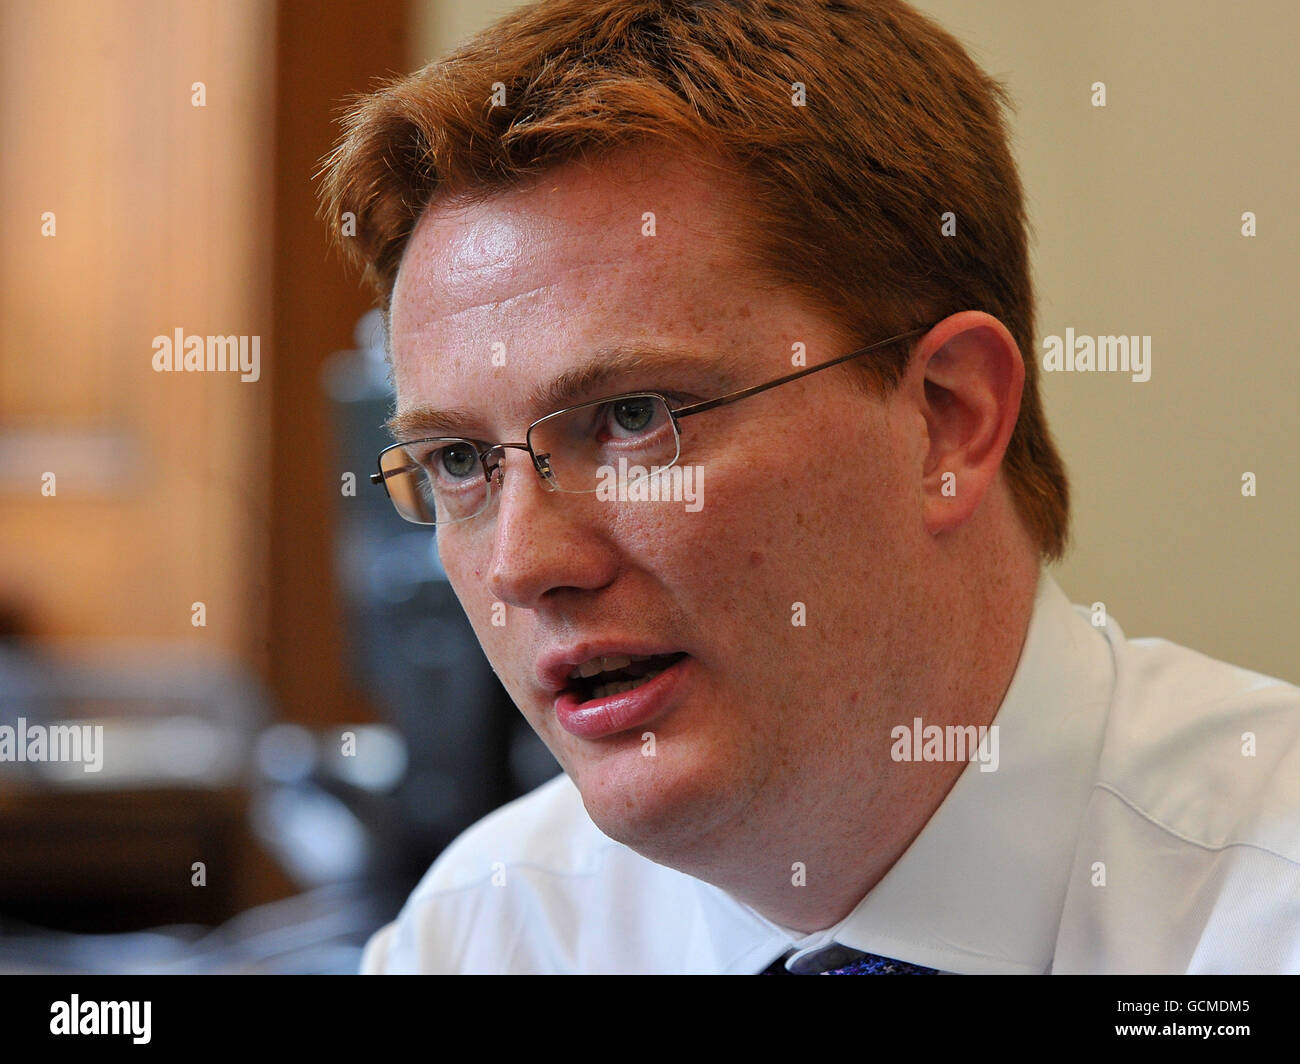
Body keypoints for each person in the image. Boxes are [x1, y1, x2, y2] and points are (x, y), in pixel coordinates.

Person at [317, 0, 1299, 974]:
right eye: (457, 462)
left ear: (947, 417)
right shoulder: (485, 933)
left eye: (633, 418)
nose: (522, 564)